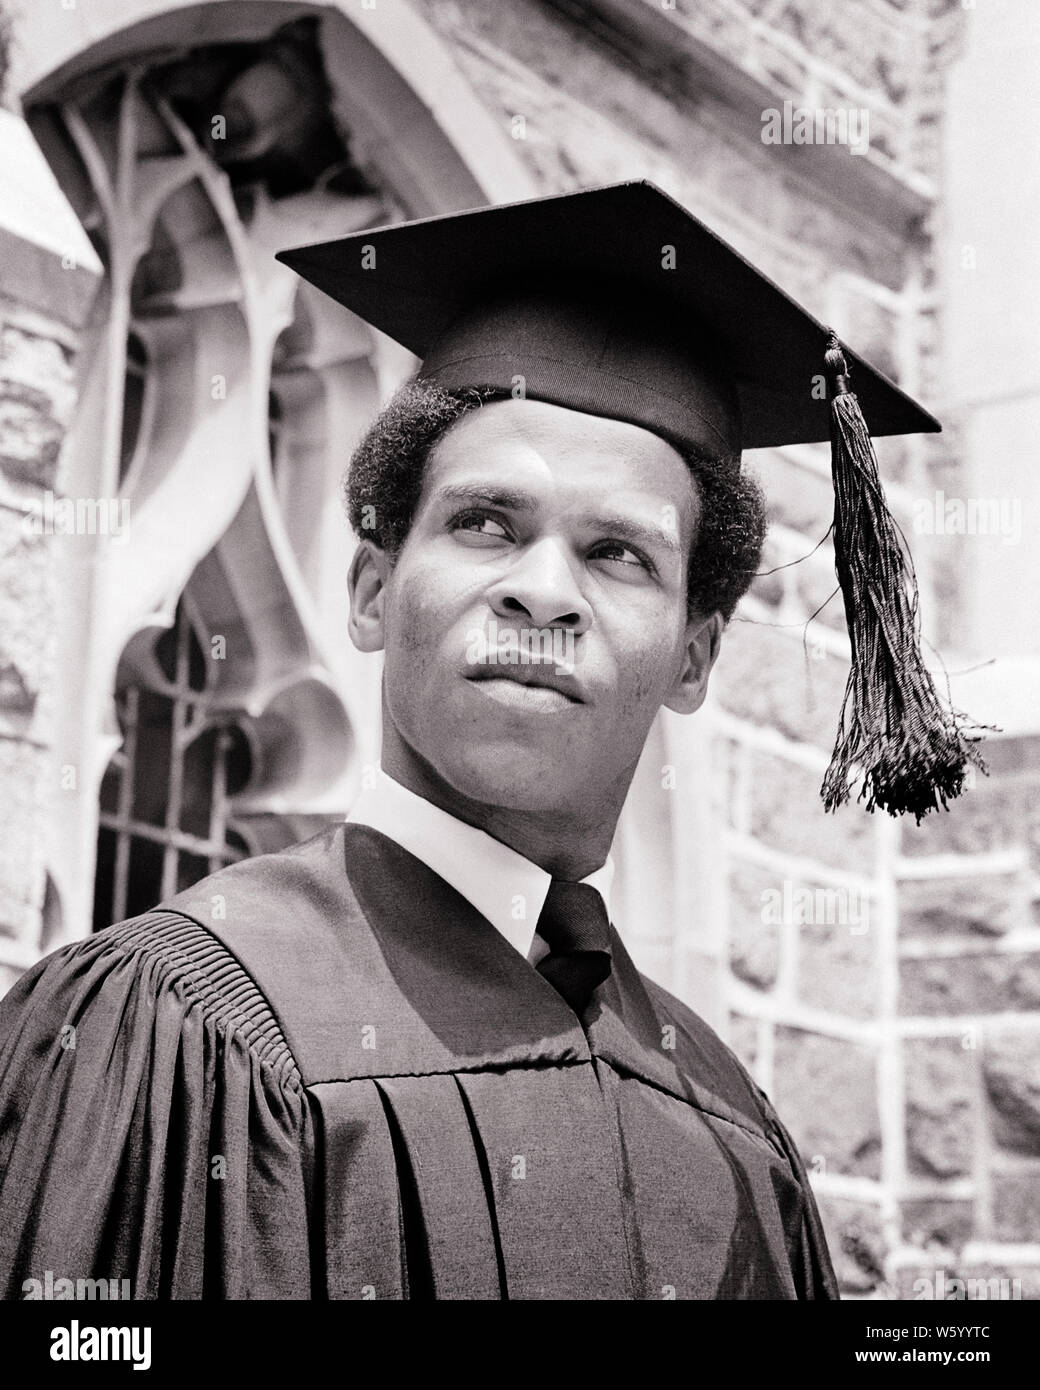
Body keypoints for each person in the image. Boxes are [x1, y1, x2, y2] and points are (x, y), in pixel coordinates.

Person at [0, 181, 977, 1300]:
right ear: (370, 591)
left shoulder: (731, 1121)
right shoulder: (169, 1028)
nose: (541, 592)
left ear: (695, 659)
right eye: (484, 523)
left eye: (619, 554)